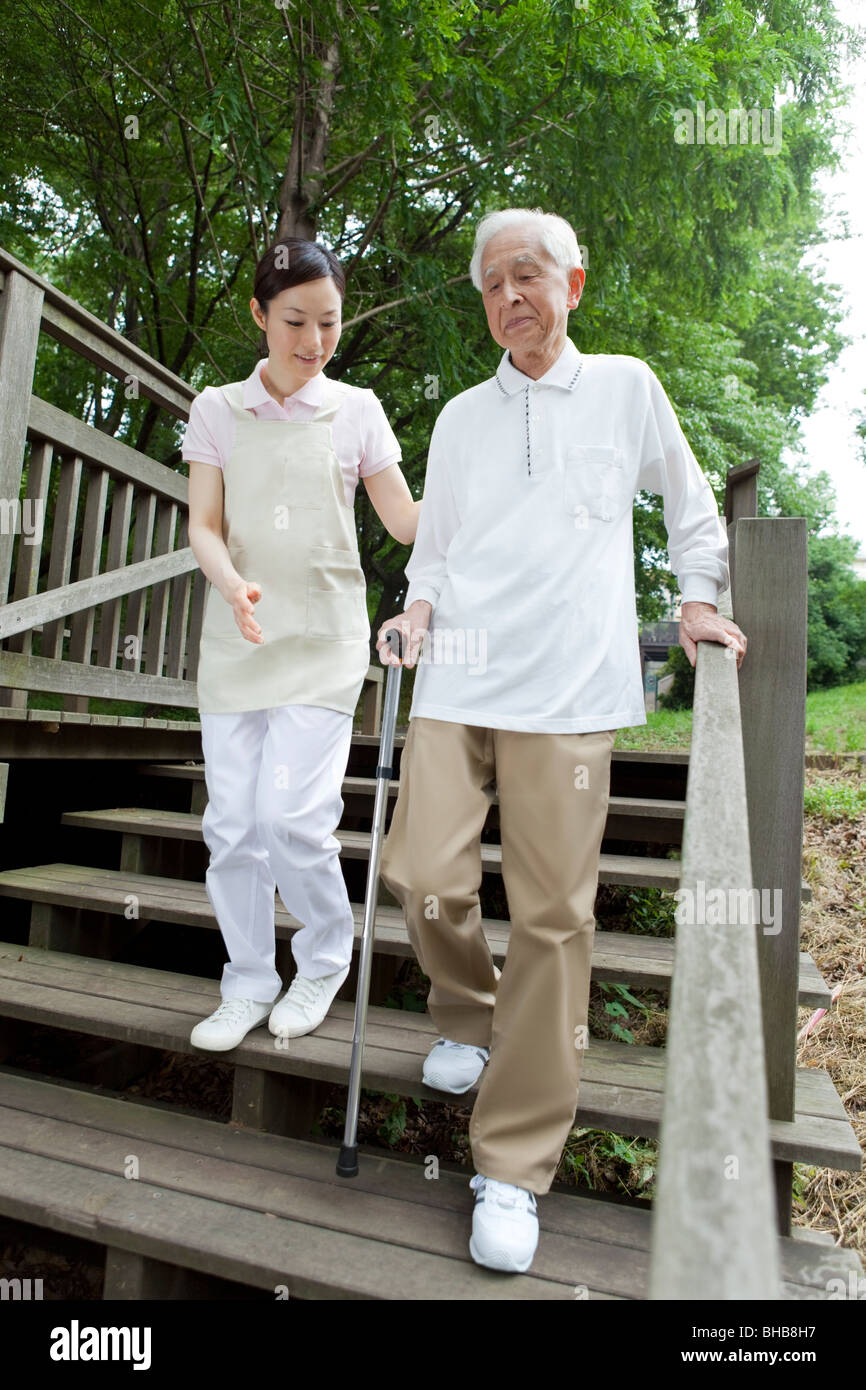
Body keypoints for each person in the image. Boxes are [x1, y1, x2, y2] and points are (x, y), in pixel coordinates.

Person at [376, 206, 748, 1274]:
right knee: (421, 868)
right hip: (458, 676)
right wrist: (413, 612)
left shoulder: (625, 387)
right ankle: (463, 1008)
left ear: (572, 284)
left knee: (549, 916)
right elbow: (435, 553)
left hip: (571, 688)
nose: (509, 299)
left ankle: (512, 1161)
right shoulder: (456, 418)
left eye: (527, 277)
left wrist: (694, 600)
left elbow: (689, 505)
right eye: (491, 284)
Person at [181, 237, 419, 1052]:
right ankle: (247, 978)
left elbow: (406, 522)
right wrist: (231, 583)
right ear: (258, 315)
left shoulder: (357, 410)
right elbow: (203, 526)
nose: (313, 342)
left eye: (328, 323)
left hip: (324, 643)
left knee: (293, 819)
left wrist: (481, 489)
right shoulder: (217, 408)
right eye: (295, 321)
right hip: (237, 640)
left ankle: (321, 956)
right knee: (233, 827)